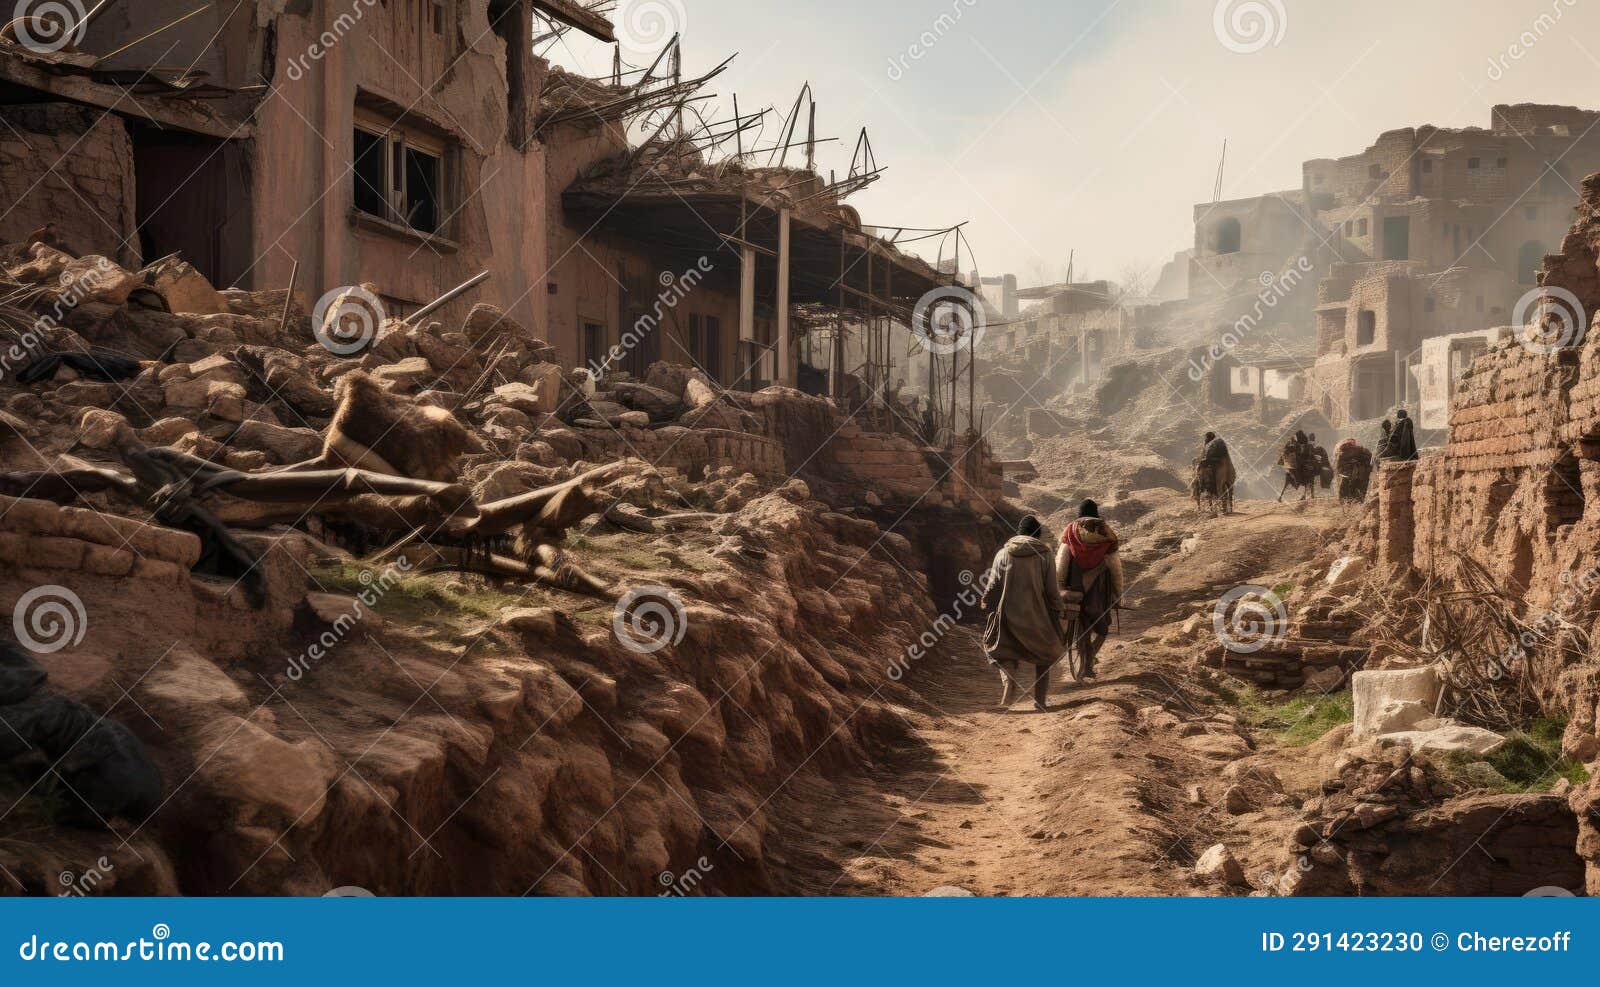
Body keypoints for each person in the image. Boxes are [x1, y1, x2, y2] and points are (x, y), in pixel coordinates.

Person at [980, 515, 1064, 711]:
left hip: (1007, 613)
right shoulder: (1045, 554)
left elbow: (992, 584)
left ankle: (1008, 691)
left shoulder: (1003, 553)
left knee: (1003, 649)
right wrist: (1058, 609)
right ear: (1038, 534)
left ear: (1019, 532)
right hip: (1038, 615)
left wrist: (985, 602)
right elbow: (1052, 589)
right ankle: (1040, 701)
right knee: (1044, 654)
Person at [1056, 500, 1124, 681]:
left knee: (1081, 624)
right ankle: (1089, 659)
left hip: (1075, 587)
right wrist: (1118, 593)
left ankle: (1086, 661)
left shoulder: (1070, 531)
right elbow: (1115, 567)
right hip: (1099, 590)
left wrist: (1059, 587)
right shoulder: (1106, 532)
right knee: (1102, 627)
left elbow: (1061, 563)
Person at [1334, 437, 1373, 502]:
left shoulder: (1361, 450)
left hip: (1359, 472)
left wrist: (1359, 464)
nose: (1352, 444)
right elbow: (1340, 464)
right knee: (1348, 485)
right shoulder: (1343, 451)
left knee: (1358, 485)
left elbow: (1368, 460)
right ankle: (1350, 499)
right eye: (1350, 443)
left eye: (1352, 442)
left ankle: (1356, 498)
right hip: (1348, 473)